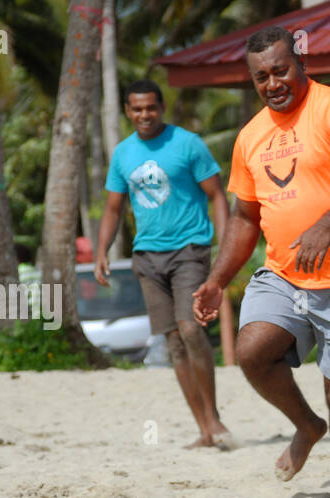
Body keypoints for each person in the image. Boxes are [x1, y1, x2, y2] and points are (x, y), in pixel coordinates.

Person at [192, 26, 330, 497]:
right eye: (261, 77)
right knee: (251, 352)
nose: (272, 83)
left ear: (301, 65)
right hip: (287, 275)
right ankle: (306, 426)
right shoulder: (251, 137)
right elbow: (245, 217)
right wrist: (218, 280)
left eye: (280, 70)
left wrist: (326, 224)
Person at [96, 79, 236, 449]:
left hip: (189, 249)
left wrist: (224, 246)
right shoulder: (123, 153)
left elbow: (217, 195)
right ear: (128, 111)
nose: (145, 115)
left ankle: (215, 418)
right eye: (137, 109)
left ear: (162, 107)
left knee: (190, 330)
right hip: (147, 257)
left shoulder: (187, 143)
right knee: (173, 342)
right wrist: (100, 251)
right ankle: (205, 428)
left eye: (151, 108)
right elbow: (113, 208)